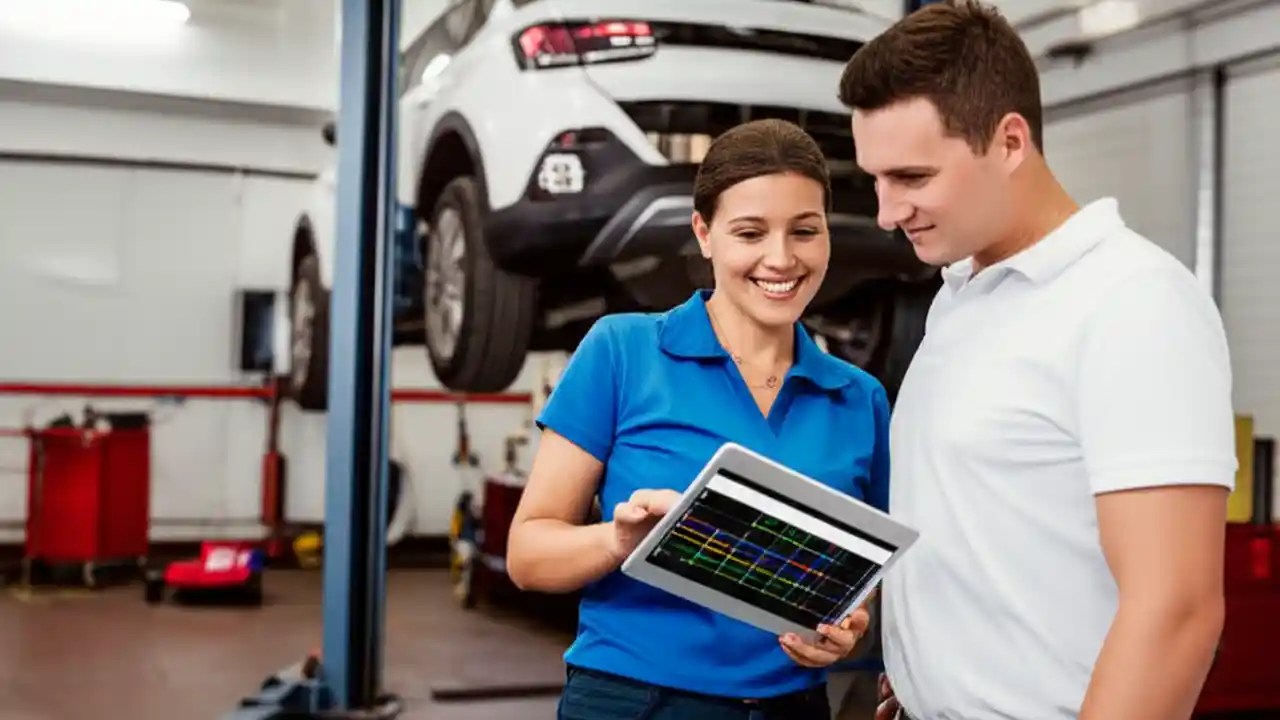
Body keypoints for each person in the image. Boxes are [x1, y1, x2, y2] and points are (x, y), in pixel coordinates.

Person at [836, 2, 1238, 719]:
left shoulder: (1131, 303)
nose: (888, 211)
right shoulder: (962, 294)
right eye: (876, 179)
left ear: (1011, 142)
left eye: (911, 177)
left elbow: (1175, 610)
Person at [505, 118, 892, 720]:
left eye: (805, 231)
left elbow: (862, 587)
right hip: (635, 704)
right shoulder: (622, 352)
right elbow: (528, 555)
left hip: (793, 706)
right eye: (750, 232)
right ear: (704, 234)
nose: (781, 258)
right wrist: (621, 541)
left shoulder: (858, 398)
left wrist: (848, 631)